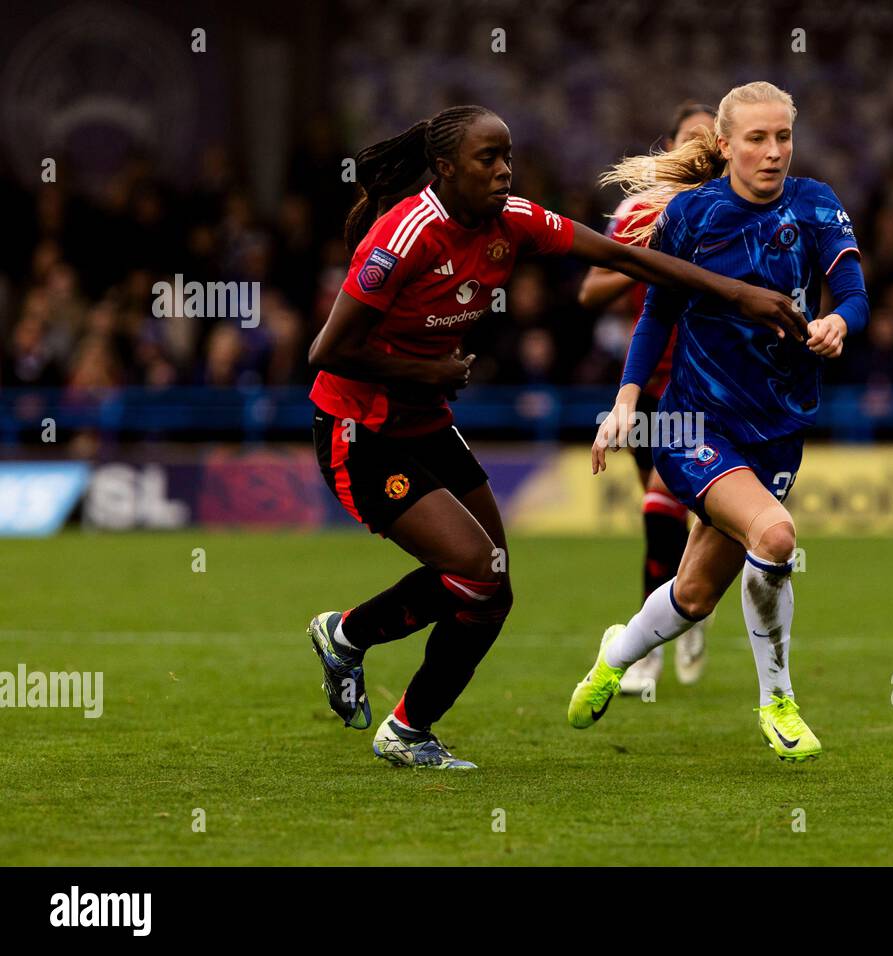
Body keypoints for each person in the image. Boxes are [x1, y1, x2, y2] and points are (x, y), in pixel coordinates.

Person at [306, 104, 805, 769]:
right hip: (359, 429)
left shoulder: (513, 219)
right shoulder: (405, 236)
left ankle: (366, 664)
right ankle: (387, 705)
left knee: (493, 586)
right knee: (478, 575)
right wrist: (428, 369)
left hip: (424, 422)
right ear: (446, 168)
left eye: (508, 155)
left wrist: (735, 293)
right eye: (488, 159)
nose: (504, 169)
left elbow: (630, 261)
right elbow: (327, 351)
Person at [566, 81, 868, 762]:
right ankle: (779, 701)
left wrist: (836, 324)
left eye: (783, 137)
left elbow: (854, 295)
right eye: (757, 138)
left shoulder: (818, 204)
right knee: (777, 533)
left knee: (697, 594)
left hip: (779, 426)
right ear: (725, 144)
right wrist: (624, 400)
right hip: (693, 423)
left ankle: (616, 653)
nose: (773, 152)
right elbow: (658, 314)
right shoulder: (693, 215)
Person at [577, 101, 718, 696]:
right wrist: (646, 262)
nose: (701, 151)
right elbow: (591, 291)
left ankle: (642, 652)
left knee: (666, 500)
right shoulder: (638, 212)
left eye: (711, 142)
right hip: (648, 385)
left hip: (708, 383)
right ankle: (688, 606)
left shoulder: (731, 213)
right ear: (671, 148)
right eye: (691, 139)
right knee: (666, 514)